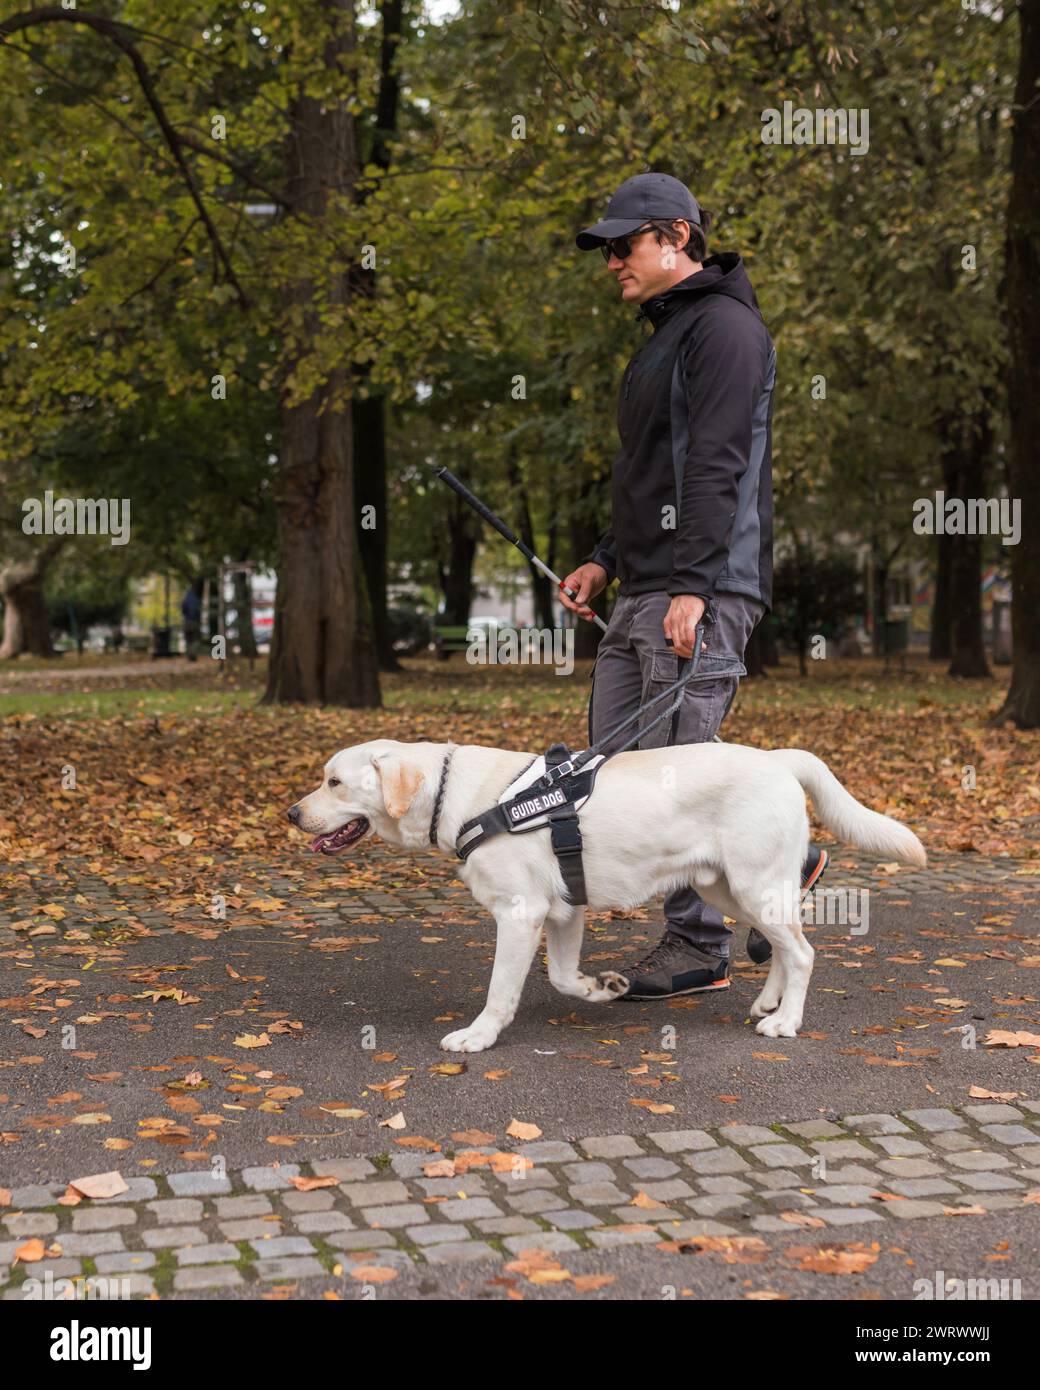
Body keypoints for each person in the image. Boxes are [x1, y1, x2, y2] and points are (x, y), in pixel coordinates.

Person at [560, 171, 826, 1001]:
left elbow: (716, 466)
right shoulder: (664, 336)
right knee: (616, 770)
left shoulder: (726, 332)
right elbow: (649, 473)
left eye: (624, 244)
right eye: (607, 249)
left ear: (675, 236)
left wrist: (698, 585)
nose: (612, 262)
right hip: (645, 583)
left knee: (678, 773)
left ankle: (698, 944)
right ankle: (793, 854)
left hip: (700, 586)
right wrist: (605, 556)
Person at [181, 580, 203, 662]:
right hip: (195, 622)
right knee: (195, 639)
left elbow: (183, 610)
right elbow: (199, 611)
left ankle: (190, 656)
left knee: (188, 640)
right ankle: (193, 655)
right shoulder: (197, 600)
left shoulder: (186, 599)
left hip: (187, 621)